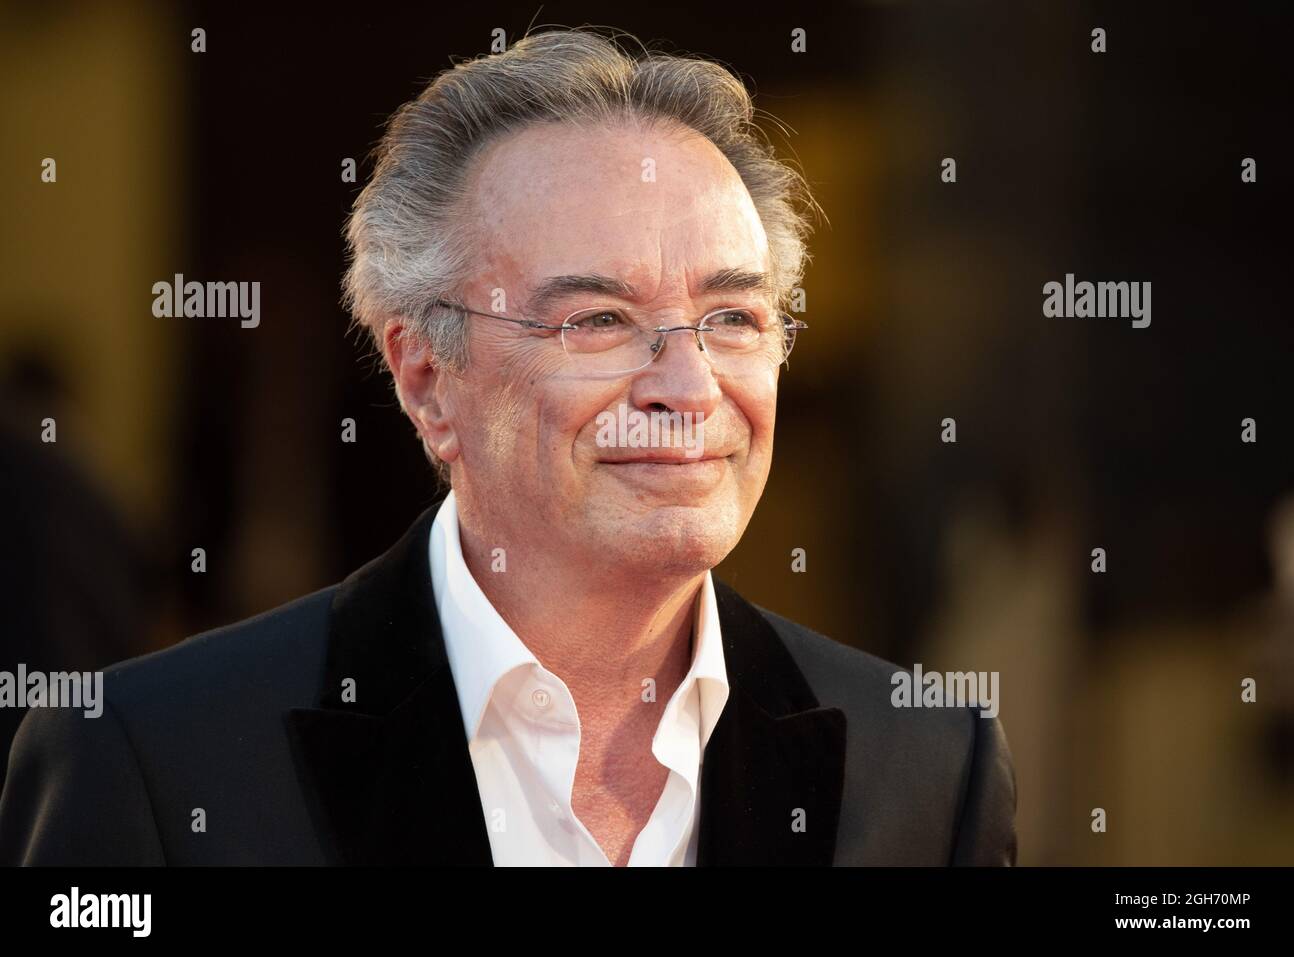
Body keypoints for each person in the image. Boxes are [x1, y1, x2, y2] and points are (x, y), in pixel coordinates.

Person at [0, 27, 1015, 866]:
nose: (687, 386)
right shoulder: (153, 761)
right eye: (600, 321)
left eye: (735, 317)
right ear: (426, 377)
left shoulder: (925, 764)